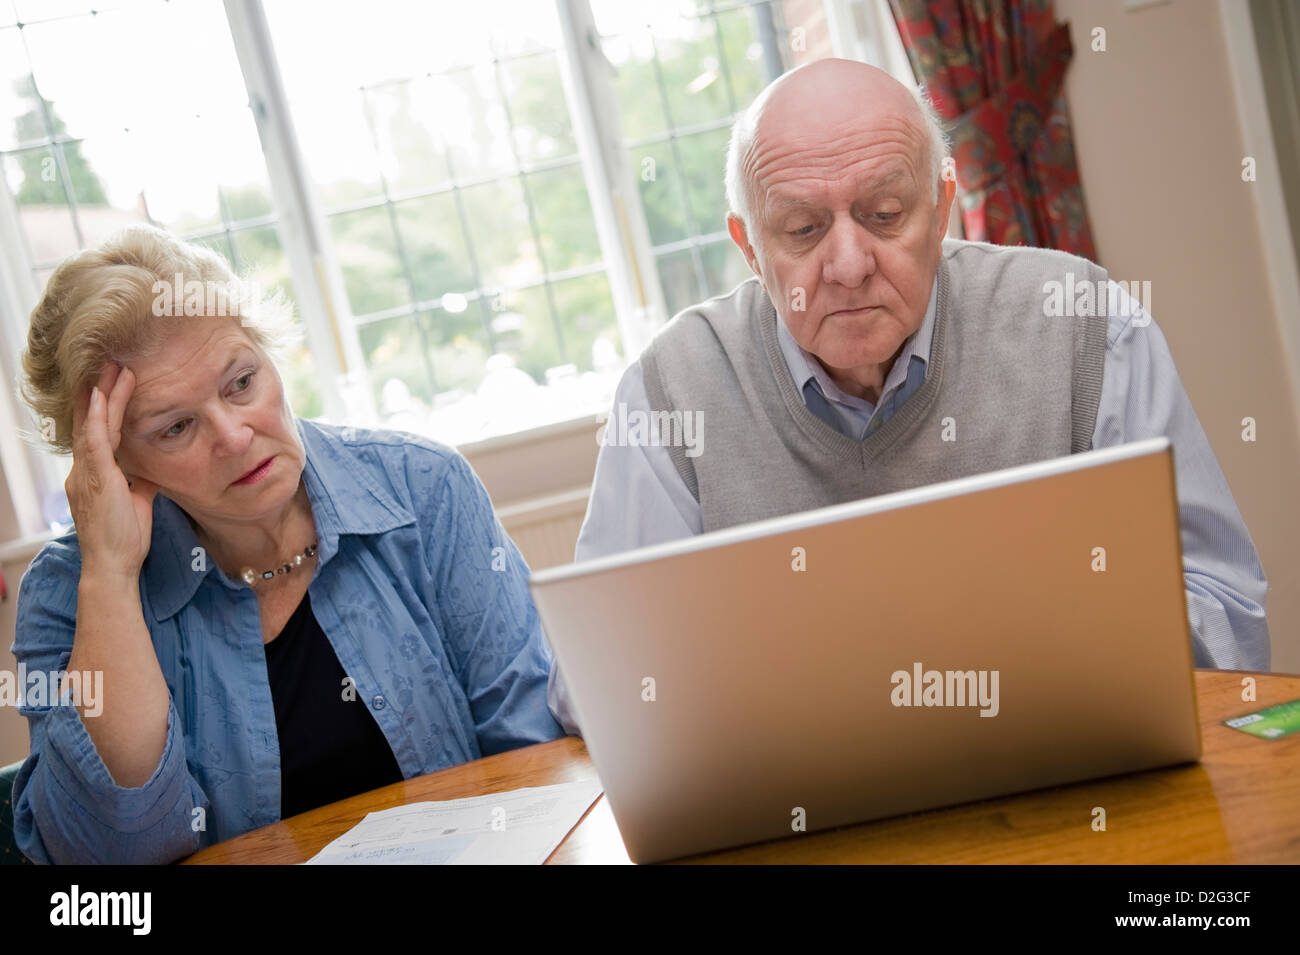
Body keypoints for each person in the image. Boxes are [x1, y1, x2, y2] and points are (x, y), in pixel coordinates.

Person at [548, 58, 1269, 734]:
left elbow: (1225, 608)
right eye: (802, 229)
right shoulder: (672, 388)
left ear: (942, 207)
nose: (850, 265)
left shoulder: (1082, 321)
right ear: (749, 247)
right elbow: (594, 684)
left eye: (886, 214)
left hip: (1062, 772)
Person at [11, 225, 564, 864]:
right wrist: (110, 575)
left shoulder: (424, 489)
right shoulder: (68, 593)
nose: (236, 435)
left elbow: (535, 753)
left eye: (241, 382)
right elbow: (111, 862)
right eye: (177, 427)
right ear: (114, 464)